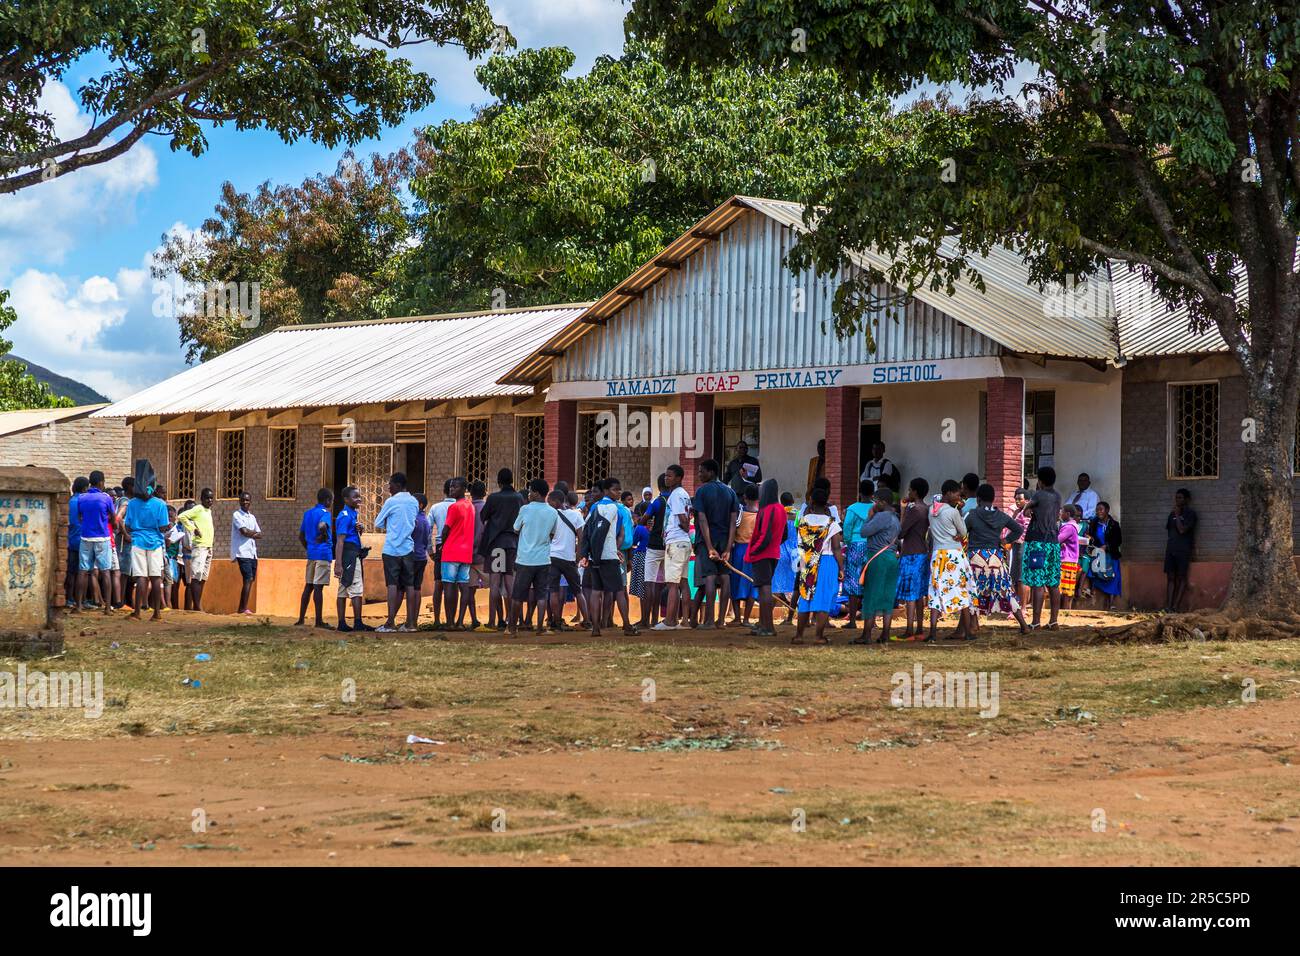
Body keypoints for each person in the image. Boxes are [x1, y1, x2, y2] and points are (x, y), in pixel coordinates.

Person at [965, 483, 1029, 634]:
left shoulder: (973, 514)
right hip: (995, 557)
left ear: (978, 499)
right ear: (993, 499)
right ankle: (1024, 625)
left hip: (976, 557)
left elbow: (962, 531)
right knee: (1006, 591)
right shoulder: (1000, 515)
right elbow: (1018, 529)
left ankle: (974, 624)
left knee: (973, 591)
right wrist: (1005, 541)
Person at [580, 477, 638, 637]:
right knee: (619, 590)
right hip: (607, 556)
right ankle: (627, 626)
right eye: (615, 489)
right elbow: (606, 532)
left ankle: (596, 628)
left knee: (596, 591)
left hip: (595, 557)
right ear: (606, 491)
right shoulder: (614, 508)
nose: (618, 492)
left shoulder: (593, 507)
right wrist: (612, 550)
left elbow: (587, 532)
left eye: (619, 489)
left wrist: (587, 554)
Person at [792, 485, 843, 645]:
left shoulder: (803, 521)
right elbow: (836, 549)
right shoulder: (832, 524)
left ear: (811, 501)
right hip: (827, 562)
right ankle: (818, 636)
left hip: (807, 562)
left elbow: (801, 544)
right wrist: (841, 568)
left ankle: (799, 635)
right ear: (827, 503)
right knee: (824, 598)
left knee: (805, 597)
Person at [507, 478, 558, 636]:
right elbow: (552, 534)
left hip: (525, 559)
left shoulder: (525, 509)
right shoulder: (553, 512)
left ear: (536, 493)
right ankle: (540, 628)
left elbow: (515, 529)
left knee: (517, 596)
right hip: (543, 559)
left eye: (530, 491)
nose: (528, 494)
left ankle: (513, 628)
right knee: (541, 595)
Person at [692, 459, 740, 628]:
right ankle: (721, 621)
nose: (699, 475)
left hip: (707, 541)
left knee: (710, 577)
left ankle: (709, 620)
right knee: (725, 577)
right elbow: (733, 521)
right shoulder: (730, 492)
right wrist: (728, 547)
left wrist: (710, 546)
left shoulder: (702, 492)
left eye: (701, 471)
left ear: (711, 472)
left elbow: (702, 518)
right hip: (725, 539)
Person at [927, 480, 975, 641]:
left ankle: (932, 633)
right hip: (953, 554)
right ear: (948, 493)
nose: (959, 496)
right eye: (956, 493)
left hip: (937, 554)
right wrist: (959, 522)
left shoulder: (931, 510)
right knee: (962, 591)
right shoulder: (953, 512)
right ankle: (967, 633)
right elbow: (963, 531)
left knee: (935, 592)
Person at [373, 472, 419, 632]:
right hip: (408, 549)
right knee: (409, 585)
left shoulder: (391, 501)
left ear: (398, 486)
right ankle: (410, 623)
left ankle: (390, 622)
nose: (388, 487)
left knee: (392, 585)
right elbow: (414, 521)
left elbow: (378, 522)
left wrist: (392, 525)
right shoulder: (414, 501)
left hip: (392, 549)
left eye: (390, 484)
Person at [479, 469, 524, 630]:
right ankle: (513, 620)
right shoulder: (519, 498)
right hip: (512, 543)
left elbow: (483, 516)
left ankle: (492, 621)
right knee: (510, 582)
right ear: (512, 480)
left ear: (498, 481)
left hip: (496, 544)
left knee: (495, 583)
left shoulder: (493, 498)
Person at [1022, 466, 1063, 629]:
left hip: (1037, 542)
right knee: (1053, 583)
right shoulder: (1057, 496)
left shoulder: (1039, 494)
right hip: (1053, 542)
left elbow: (1025, 508)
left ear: (1040, 480)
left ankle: (1036, 622)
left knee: (1037, 583)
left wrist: (1029, 508)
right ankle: (1053, 621)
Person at [655, 464, 694, 630]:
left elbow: (682, 518)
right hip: (684, 542)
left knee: (672, 583)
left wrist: (684, 527)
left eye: (670, 476)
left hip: (676, 541)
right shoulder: (684, 494)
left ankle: (670, 621)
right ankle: (684, 620)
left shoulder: (676, 495)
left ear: (679, 478)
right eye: (665, 475)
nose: (666, 478)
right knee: (683, 582)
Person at [125, 481, 171, 621]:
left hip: (138, 542)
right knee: (156, 577)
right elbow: (164, 527)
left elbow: (128, 527)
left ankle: (137, 613)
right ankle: (157, 613)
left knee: (141, 577)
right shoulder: (161, 504)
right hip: (156, 543)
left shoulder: (132, 503)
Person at [745, 479, 786, 637]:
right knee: (765, 587)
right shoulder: (781, 509)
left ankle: (768, 627)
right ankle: (763, 624)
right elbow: (784, 534)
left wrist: (755, 550)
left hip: (763, 553)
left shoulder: (766, 509)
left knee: (764, 588)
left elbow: (765, 535)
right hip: (774, 553)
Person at [72, 471, 115, 615]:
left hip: (85, 537)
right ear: (101, 482)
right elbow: (114, 519)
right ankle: (108, 608)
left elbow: (79, 517)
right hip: (102, 537)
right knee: (106, 572)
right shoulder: (106, 498)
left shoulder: (82, 498)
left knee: (83, 571)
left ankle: (78, 606)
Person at [893, 477, 931, 640]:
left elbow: (901, 532)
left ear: (915, 492)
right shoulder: (926, 508)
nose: (908, 492)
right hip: (922, 551)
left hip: (910, 554)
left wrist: (902, 510)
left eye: (910, 490)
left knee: (909, 594)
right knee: (920, 593)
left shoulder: (913, 509)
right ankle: (920, 628)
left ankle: (909, 629)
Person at [547, 488, 589, 631]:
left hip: (553, 557)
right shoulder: (576, 515)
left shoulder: (552, 516)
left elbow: (550, 536)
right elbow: (581, 537)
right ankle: (587, 621)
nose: (548, 504)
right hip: (569, 558)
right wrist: (579, 555)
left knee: (553, 591)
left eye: (550, 502)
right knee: (578, 591)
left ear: (556, 501)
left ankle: (556, 622)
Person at [440, 477, 477, 629]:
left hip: (451, 551)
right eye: (451, 487)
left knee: (449, 585)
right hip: (466, 551)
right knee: (464, 586)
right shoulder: (471, 506)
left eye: (454, 487)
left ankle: (450, 622)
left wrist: (442, 544)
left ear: (463, 489)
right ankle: (460, 622)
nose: (451, 490)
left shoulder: (454, 507)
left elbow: (446, 529)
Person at [333, 485, 371, 632]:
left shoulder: (352, 514)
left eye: (359, 496)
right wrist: (338, 563)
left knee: (343, 587)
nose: (359, 499)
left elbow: (349, 535)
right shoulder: (345, 515)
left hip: (350, 553)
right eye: (355, 497)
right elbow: (340, 540)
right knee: (356, 589)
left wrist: (358, 531)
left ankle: (342, 623)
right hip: (349, 555)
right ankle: (357, 622)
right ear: (346, 499)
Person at [295, 488, 335, 628]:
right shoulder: (325, 513)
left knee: (309, 586)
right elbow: (322, 525)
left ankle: (301, 619)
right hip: (323, 554)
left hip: (311, 554)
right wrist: (323, 533)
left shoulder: (308, 513)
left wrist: (309, 548)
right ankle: (319, 621)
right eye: (331, 500)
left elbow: (301, 536)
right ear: (327, 500)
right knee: (318, 588)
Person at [841, 479, 876, 630]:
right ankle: (872, 621)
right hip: (872, 546)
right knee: (871, 582)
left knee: (854, 582)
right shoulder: (877, 508)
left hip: (855, 546)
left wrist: (849, 543)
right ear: (873, 493)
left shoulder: (852, 509)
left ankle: (853, 621)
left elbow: (847, 529)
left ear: (859, 492)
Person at [727, 483, 759, 627]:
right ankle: (746, 619)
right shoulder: (760, 514)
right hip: (754, 551)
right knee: (751, 584)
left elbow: (733, 529)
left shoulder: (740, 512)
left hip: (739, 550)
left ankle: (738, 618)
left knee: (735, 580)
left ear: (745, 497)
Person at [178, 488, 215, 612]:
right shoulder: (198, 509)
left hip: (208, 547)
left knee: (203, 578)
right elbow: (182, 516)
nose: (210, 500)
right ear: (201, 498)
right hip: (199, 547)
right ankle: (197, 607)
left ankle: (197, 605)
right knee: (195, 577)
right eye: (207, 498)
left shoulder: (208, 511)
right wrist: (193, 528)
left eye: (211, 498)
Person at [640, 474, 668, 629]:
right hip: (669, 545)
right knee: (661, 584)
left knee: (649, 582)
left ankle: (645, 620)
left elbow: (644, 519)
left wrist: (645, 521)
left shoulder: (658, 502)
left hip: (655, 544)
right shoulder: (674, 499)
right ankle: (655, 619)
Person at [427, 481, 455, 628]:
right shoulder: (462, 507)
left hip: (440, 547)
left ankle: (437, 620)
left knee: (438, 584)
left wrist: (429, 549)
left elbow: (428, 528)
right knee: (454, 584)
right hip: (456, 546)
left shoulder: (436, 507)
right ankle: (453, 620)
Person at [1164, 488, 1197, 612]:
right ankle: (1168, 606)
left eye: (1181, 498)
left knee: (1181, 577)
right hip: (1171, 549)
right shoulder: (1171, 514)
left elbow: (1182, 530)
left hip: (1183, 550)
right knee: (1170, 578)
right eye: (1176, 497)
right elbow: (1170, 531)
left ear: (1187, 500)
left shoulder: (1190, 514)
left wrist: (1178, 515)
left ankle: (1176, 606)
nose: (1178, 500)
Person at [1087, 502, 1123, 611]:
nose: (1098, 512)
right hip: (1098, 553)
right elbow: (1092, 537)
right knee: (1093, 572)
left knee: (1112, 576)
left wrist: (1106, 547)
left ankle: (1111, 604)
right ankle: (1091, 594)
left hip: (1111, 554)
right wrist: (1090, 539)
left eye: (1101, 510)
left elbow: (1118, 541)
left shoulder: (1114, 524)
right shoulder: (1094, 523)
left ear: (1107, 510)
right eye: (1097, 510)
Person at [230, 491, 262, 614]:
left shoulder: (252, 517)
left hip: (252, 552)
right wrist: (252, 533)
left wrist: (251, 533)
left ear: (250, 502)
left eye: (247, 500)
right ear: (239, 501)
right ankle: (243, 608)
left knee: (251, 579)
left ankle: (242, 607)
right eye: (243, 500)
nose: (245, 502)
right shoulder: (236, 515)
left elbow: (260, 534)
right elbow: (243, 531)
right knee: (248, 578)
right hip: (242, 552)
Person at [771, 491, 799, 626]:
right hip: (796, 553)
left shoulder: (778, 514)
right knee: (796, 587)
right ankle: (790, 617)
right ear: (793, 501)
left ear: (781, 502)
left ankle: (766, 617)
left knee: (777, 585)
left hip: (780, 551)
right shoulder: (799, 514)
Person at [66, 476, 88, 608]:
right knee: (84, 572)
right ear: (85, 487)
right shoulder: (85, 501)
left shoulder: (70, 501)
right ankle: (82, 600)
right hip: (84, 540)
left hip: (70, 539)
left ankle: (69, 599)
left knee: (71, 572)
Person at [1009, 488, 1032, 609]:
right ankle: (1017, 607)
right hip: (1016, 546)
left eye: (1020, 499)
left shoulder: (1026, 512)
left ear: (1027, 500)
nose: (1017, 501)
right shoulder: (1018, 511)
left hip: (1022, 545)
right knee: (1015, 577)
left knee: (1021, 577)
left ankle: (1022, 608)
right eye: (1016, 499)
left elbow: (1026, 530)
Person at [1058, 503, 1083, 610]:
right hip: (1071, 560)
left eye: (1062, 512)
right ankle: (1066, 611)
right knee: (1067, 589)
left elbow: (1057, 539)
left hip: (1066, 559)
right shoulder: (1072, 526)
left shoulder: (1068, 527)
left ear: (1067, 514)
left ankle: (1064, 610)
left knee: (1064, 589)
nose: (1060, 514)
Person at [412, 492, 432, 606]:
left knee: (408, 588)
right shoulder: (426, 520)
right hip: (422, 557)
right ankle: (413, 620)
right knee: (417, 588)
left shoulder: (414, 520)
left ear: (419, 505)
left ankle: (409, 620)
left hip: (412, 557)